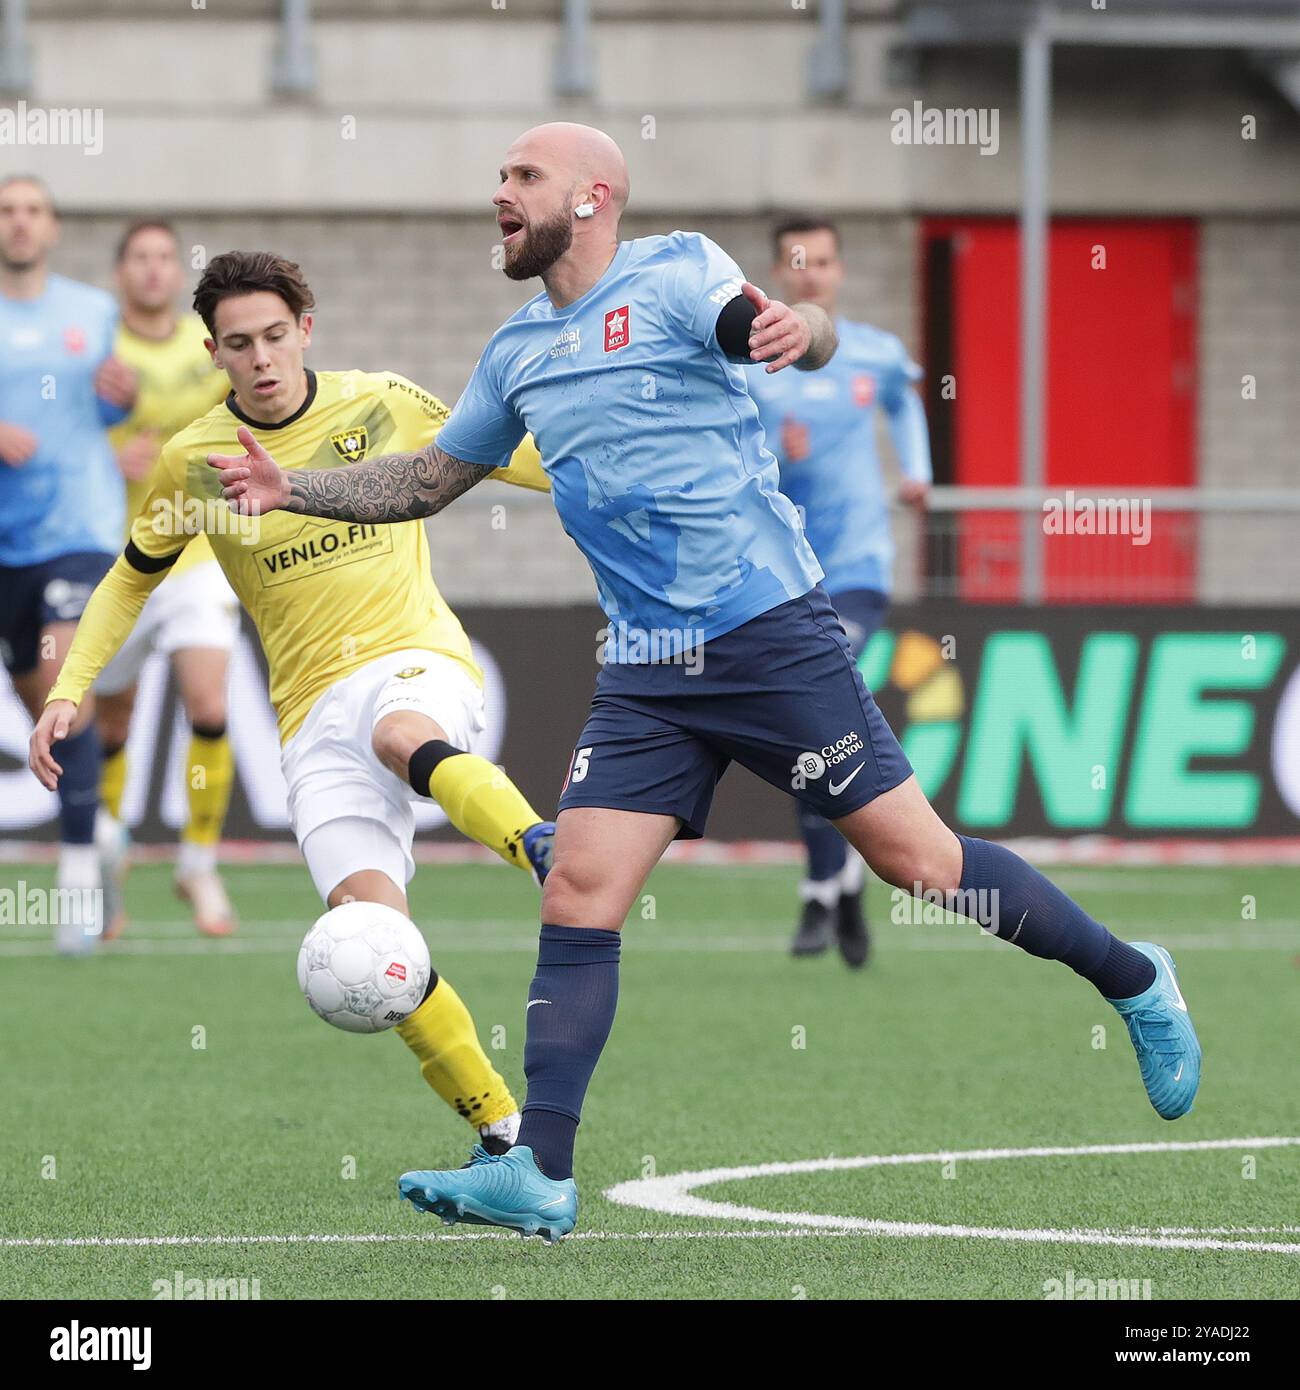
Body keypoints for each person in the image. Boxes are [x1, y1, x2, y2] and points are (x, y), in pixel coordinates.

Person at [200, 125, 1202, 1242]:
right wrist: (294, 486)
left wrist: (801, 325)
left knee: (919, 861)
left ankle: (1131, 977)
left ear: (591, 199)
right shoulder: (516, 350)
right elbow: (427, 480)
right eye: (499, 177)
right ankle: (540, 1166)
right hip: (645, 669)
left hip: (768, 631)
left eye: (521, 178)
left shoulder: (675, 271)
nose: (499, 195)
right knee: (578, 886)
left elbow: (793, 333)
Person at [30, 249, 556, 1153]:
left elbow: (523, 463)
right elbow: (130, 579)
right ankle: (507, 1139)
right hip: (311, 717)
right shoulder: (197, 461)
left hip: (412, 658)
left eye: (277, 335)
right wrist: (69, 689)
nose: (263, 358)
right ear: (214, 353)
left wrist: (635, 471)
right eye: (241, 344)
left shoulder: (380, 400)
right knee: (372, 944)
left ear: (305, 330)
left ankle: (545, 847)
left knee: (402, 732)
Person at [747, 214, 933, 967]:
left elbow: (904, 402)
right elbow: (739, 459)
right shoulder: (756, 364)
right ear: (780, 272)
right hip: (786, 571)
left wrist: (917, 468)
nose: (812, 273)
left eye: (824, 261)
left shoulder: (875, 354)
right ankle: (845, 883)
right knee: (810, 726)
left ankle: (822, 890)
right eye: (799, 262)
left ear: (839, 271)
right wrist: (778, 459)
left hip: (856, 568)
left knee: (819, 706)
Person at [0, 174, 137, 953]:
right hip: (6, 544)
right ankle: (103, 828)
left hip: (79, 528)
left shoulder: (92, 312)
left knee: (64, 686)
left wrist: (126, 398)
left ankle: (78, 880)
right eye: (7, 211)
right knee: (43, 715)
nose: (19, 224)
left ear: (51, 227)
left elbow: (121, 404)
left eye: (32, 211)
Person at [95, 218, 238, 938]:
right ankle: (105, 856)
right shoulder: (98, 352)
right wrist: (103, 459)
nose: (152, 271)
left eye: (163, 258)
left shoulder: (208, 351)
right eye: (139, 259)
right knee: (110, 724)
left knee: (208, 704)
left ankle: (198, 861)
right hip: (115, 563)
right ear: (120, 273)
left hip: (197, 558)